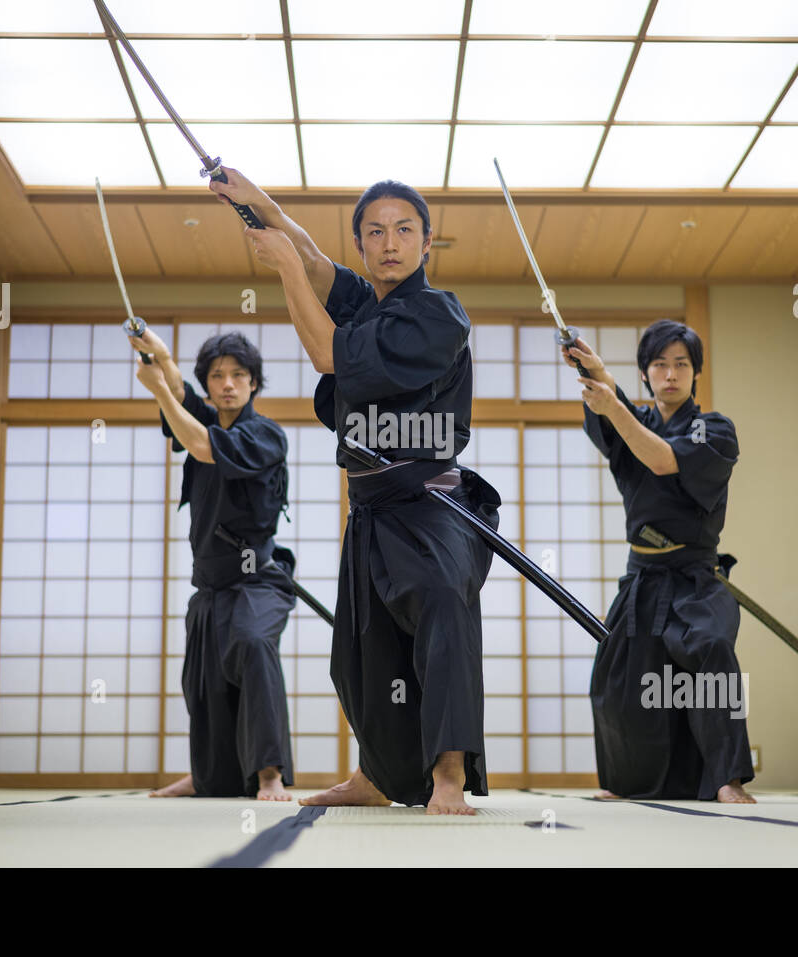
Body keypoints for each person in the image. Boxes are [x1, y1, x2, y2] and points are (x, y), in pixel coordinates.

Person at [207, 167, 501, 815]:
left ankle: (447, 776)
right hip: (368, 505)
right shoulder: (370, 304)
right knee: (363, 652)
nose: (389, 242)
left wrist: (281, 265)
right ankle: (378, 775)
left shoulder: (437, 313)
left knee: (442, 616)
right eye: (374, 232)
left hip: (430, 500)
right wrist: (255, 202)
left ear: (427, 244)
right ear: (363, 246)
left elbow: (327, 352)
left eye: (404, 230)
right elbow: (313, 260)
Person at [564, 321, 756, 803]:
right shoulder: (638, 421)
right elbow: (617, 416)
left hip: (695, 578)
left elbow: (662, 459)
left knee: (710, 648)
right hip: (643, 577)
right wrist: (597, 370)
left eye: (681, 364)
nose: (670, 373)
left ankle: (726, 779)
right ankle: (630, 784)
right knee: (618, 672)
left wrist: (613, 402)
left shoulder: (715, 430)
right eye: (659, 364)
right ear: (646, 374)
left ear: (696, 374)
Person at [129, 327, 296, 801]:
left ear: (253, 384)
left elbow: (200, 443)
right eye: (217, 376)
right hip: (209, 586)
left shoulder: (264, 435)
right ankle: (207, 779)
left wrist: (160, 390)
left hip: (258, 580)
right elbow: (182, 396)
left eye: (238, 375)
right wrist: (158, 353)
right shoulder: (204, 416)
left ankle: (269, 774)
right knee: (202, 684)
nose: (227, 384)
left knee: (252, 647)